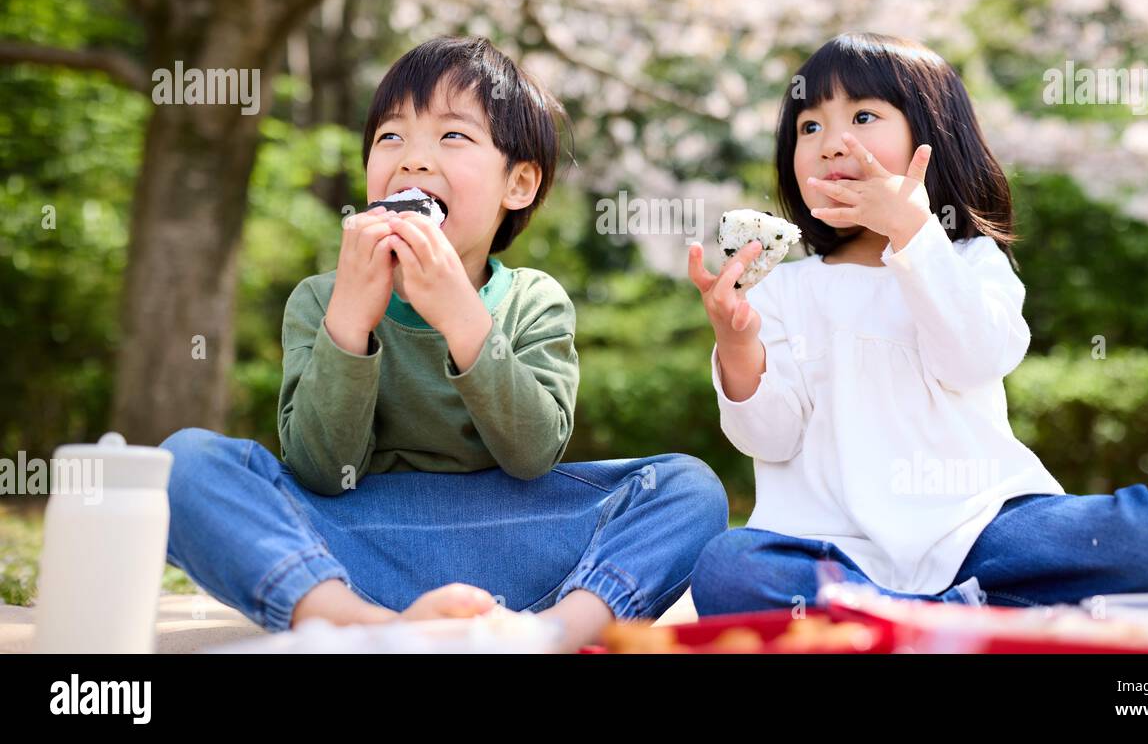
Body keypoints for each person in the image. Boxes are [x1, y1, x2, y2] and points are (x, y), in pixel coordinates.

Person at [162, 36, 728, 652]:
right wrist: (350, 324)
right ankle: (363, 629)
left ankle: (558, 635)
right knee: (182, 462)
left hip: (516, 542)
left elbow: (533, 453)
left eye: (453, 136)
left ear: (519, 184)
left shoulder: (534, 300)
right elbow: (322, 470)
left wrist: (463, 319)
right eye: (390, 137)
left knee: (687, 489)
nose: (412, 160)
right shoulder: (323, 299)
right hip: (351, 548)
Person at [687, 31, 1148, 615]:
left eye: (863, 116)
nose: (832, 143)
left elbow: (974, 357)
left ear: (933, 139)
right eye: (809, 127)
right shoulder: (785, 287)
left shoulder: (969, 260)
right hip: (833, 548)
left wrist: (913, 233)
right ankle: (953, 613)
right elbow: (770, 437)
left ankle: (914, 614)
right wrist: (738, 345)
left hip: (981, 528)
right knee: (728, 568)